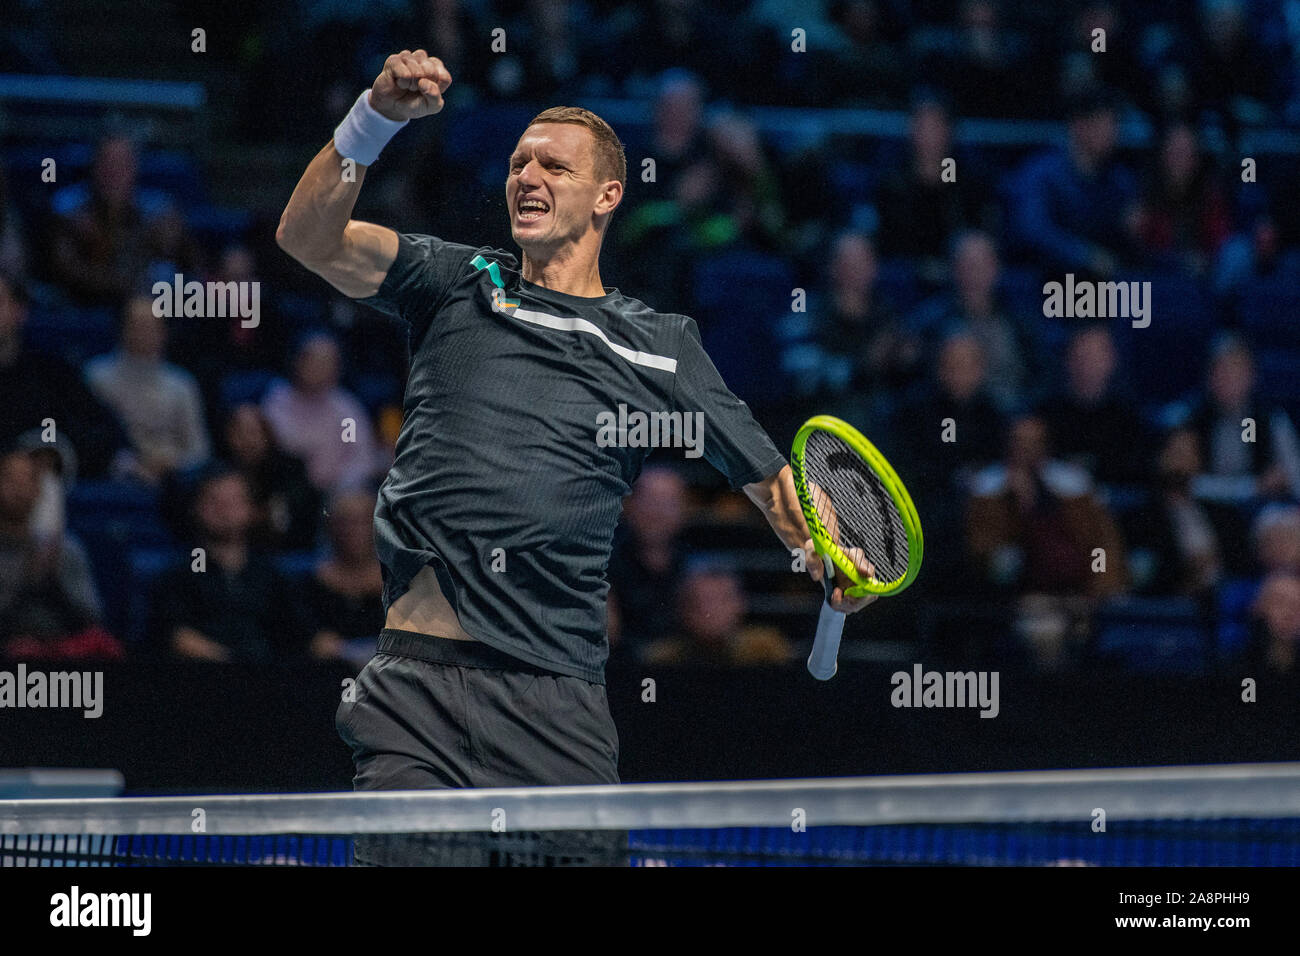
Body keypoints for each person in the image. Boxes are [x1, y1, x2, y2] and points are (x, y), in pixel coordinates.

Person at [276, 49, 878, 865]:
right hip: (419, 694)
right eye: (519, 161)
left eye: (553, 165)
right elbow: (307, 236)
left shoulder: (659, 346)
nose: (527, 174)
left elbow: (771, 480)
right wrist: (373, 117)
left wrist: (821, 546)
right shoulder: (458, 281)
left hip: (558, 712)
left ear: (606, 196)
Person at [150, 465, 312, 664]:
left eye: (234, 501)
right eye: (214, 501)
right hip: (204, 678)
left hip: (269, 677)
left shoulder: (271, 573)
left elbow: (301, 633)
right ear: (195, 508)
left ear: (251, 509)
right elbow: (176, 635)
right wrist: (232, 663)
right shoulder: (179, 573)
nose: (224, 510)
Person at [0, 445, 122, 660]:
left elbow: (90, 617)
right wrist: (31, 579)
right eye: (9, 478)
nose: (18, 488)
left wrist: (50, 579)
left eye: (26, 479)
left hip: (63, 655)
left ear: (39, 489)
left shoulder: (66, 550)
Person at [85, 295, 212, 485]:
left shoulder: (181, 384)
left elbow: (199, 450)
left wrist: (174, 464)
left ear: (164, 332)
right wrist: (133, 465)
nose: (145, 332)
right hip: (116, 478)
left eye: (152, 325)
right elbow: (91, 443)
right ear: (122, 329)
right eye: (137, 325)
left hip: (175, 479)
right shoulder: (96, 377)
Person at [643, 562, 793, 666]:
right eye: (700, 601)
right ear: (683, 608)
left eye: (721, 600)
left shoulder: (766, 652)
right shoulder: (662, 660)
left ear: (740, 604)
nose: (709, 610)